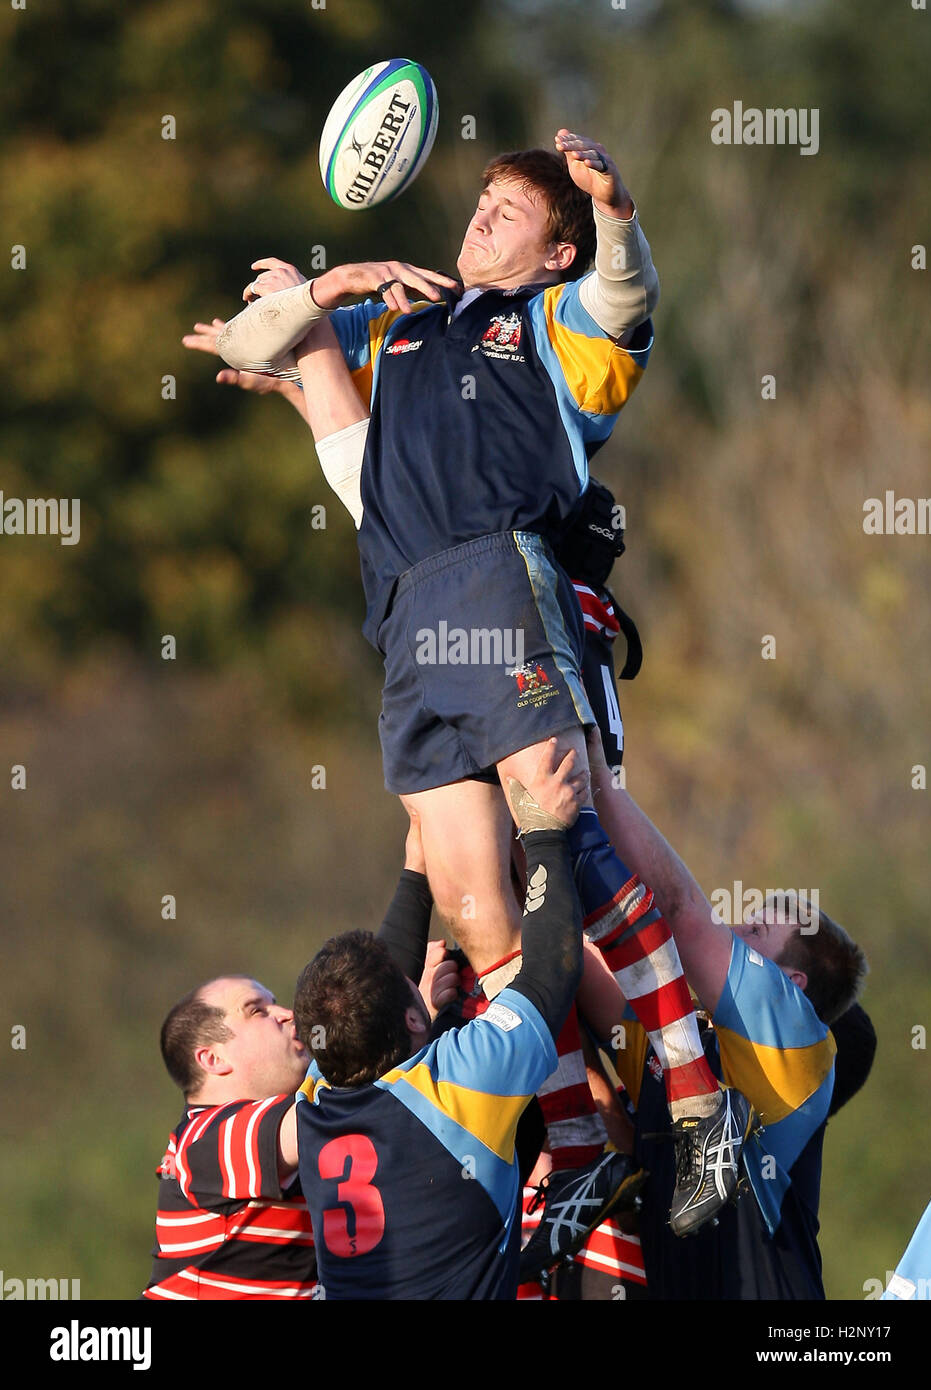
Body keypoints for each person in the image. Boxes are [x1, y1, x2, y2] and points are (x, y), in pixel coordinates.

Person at [212, 132, 749, 1235]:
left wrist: (612, 207)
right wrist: (332, 285)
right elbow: (250, 340)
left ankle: (697, 1104)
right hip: (402, 611)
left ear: (553, 252)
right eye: (484, 199)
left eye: (513, 211)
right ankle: (572, 1138)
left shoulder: (551, 326)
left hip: (491, 575)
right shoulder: (406, 320)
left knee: (572, 834)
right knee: (470, 905)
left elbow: (622, 289)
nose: (483, 219)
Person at [567, 736, 870, 1297]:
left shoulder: (797, 1049)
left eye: (753, 934)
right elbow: (569, 962)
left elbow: (677, 911)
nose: (730, 934)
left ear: (790, 988)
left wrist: (588, 761)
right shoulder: (681, 1039)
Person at [292, 743, 592, 1299]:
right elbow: (552, 972)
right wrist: (545, 832)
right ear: (412, 1018)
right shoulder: (457, 1088)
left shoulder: (316, 1097)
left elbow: (367, 993)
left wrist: (416, 871)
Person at [143, 975, 317, 1300]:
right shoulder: (206, 1138)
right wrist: (380, 1020)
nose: (287, 1013)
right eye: (256, 1011)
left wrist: (411, 1013)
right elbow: (327, 1118)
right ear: (213, 1059)